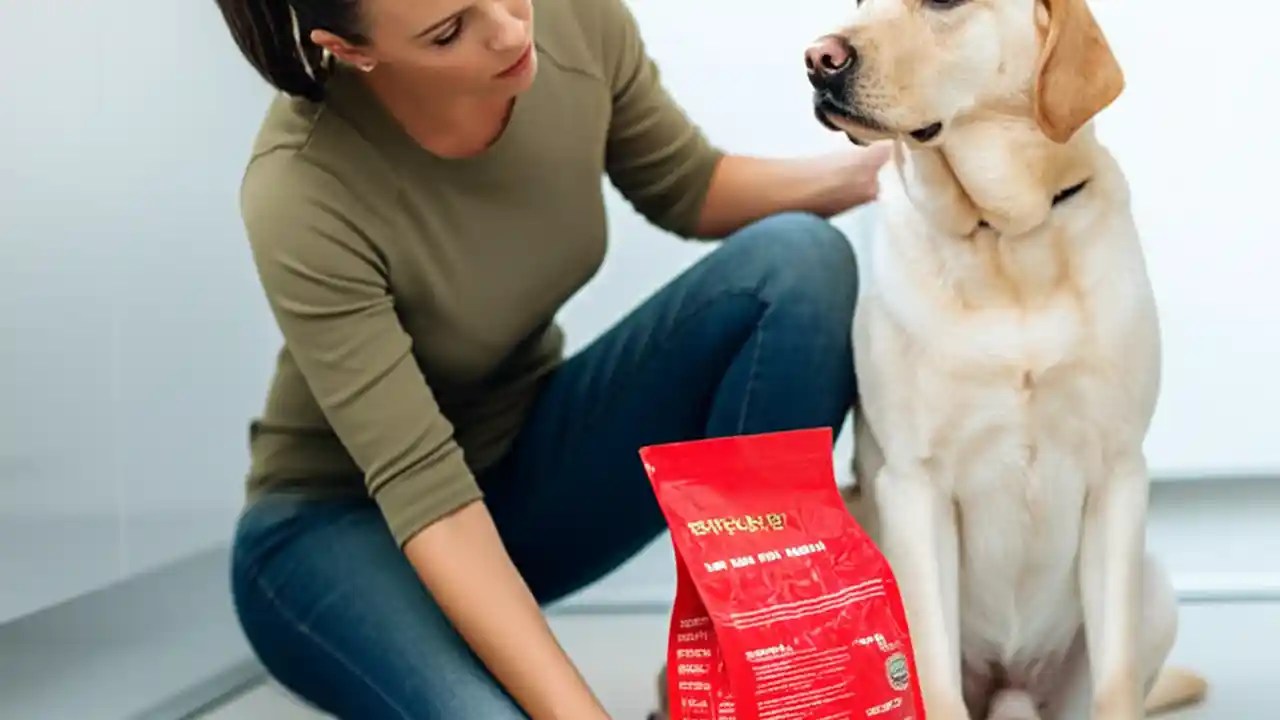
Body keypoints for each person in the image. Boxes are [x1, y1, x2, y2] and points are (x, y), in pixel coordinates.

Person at [215, 0, 890, 716]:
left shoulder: (572, 19)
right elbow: (425, 490)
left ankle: (732, 685)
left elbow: (687, 186)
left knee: (797, 266)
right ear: (351, 50)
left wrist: (886, 165)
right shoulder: (301, 188)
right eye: (447, 32)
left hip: (522, 482)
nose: (509, 30)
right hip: (336, 531)